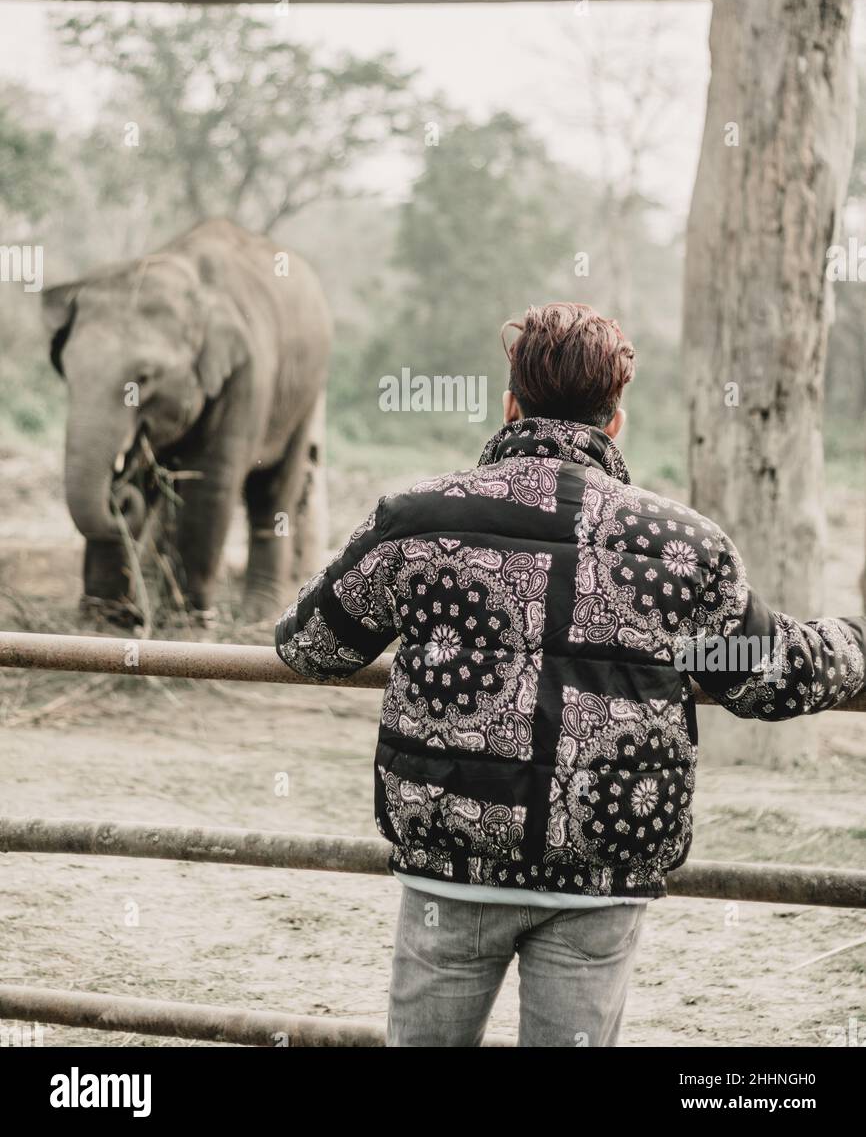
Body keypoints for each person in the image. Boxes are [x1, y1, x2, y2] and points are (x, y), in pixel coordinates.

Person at [275, 303, 865, 1048]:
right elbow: (770, 677)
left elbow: (310, 645)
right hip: (602, 871)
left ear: (509, 404)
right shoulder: (683, 545)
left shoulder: (417, 518)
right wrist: (854, 640)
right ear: (614, 420)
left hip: (450, 869)